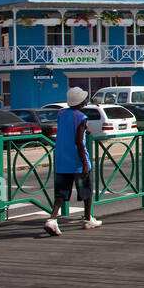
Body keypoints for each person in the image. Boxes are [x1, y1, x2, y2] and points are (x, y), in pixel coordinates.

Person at [44, 86, 101, 235]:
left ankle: (52, 219)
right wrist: (83, 163)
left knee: (61, 193)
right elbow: (79, 142)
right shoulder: (81, 118)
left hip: (62, 158)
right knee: (86, 190)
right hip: (77, 160)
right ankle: (88, 218)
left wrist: (85, 129)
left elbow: (74, 126)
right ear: (83, 102)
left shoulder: (61, 114)